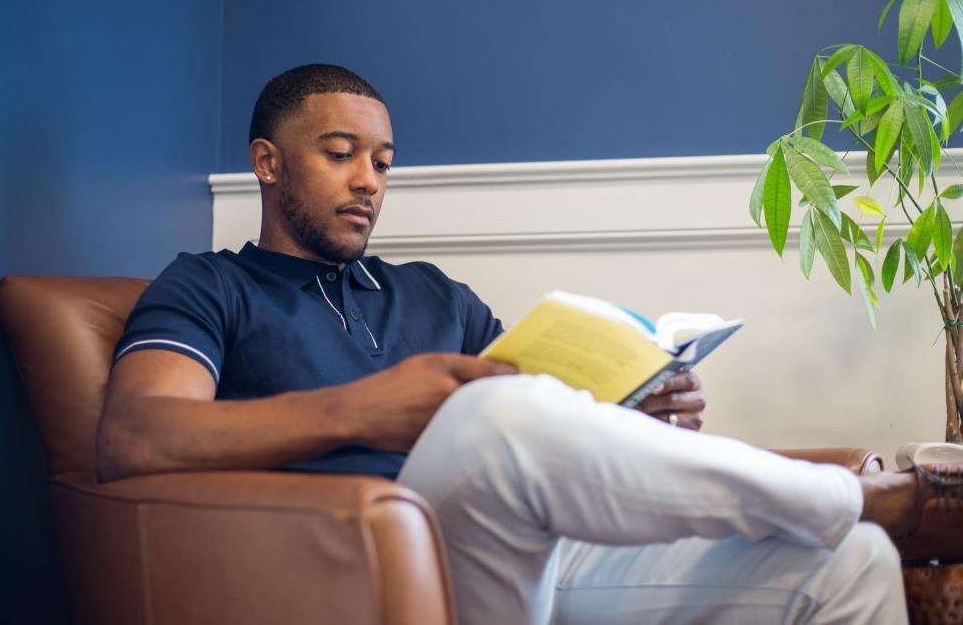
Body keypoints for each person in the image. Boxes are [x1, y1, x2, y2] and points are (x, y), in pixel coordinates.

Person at [98, 64, 936, 624]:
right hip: (374, 567)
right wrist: (363, 409)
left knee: (851, 561)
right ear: (268, 163)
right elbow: (137, 436)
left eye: (384, 164)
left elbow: (542, 432)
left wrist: (639, 415)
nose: (368, 182)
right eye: (341, 154)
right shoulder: (208, 285)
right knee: (493, 414)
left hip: (547, 552)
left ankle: (851, 514)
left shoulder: (433, 293)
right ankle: (850, 492)